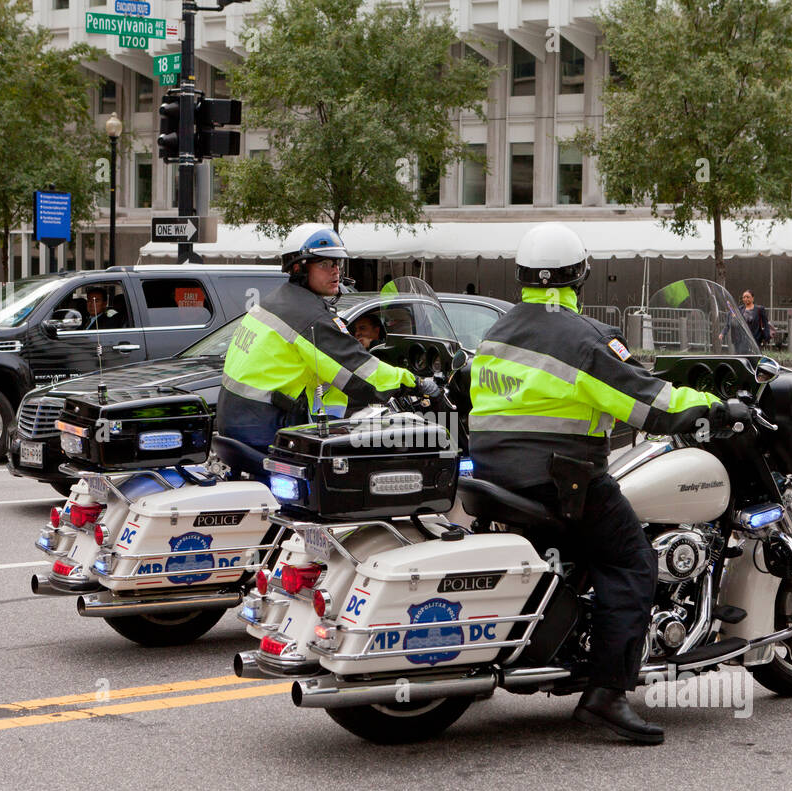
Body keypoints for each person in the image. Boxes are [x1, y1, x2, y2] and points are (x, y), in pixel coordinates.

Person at [469, 223, 733, 745]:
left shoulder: (498, 331)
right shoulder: (582, 337)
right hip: (560, 480)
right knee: (632, 561)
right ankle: (608, 694)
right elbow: (647, 402)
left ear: (523, 277)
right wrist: (713, 406)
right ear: (579, 276)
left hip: (495, 474)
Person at [216, 225, 425, 453]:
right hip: (264, 429)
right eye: (324, 264)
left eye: (337, 263)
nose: (335, 271)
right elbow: (362, 374)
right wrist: (414, 382)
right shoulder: (308, 317)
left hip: (237, 421)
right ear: (299, 268)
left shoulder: (279, 300)